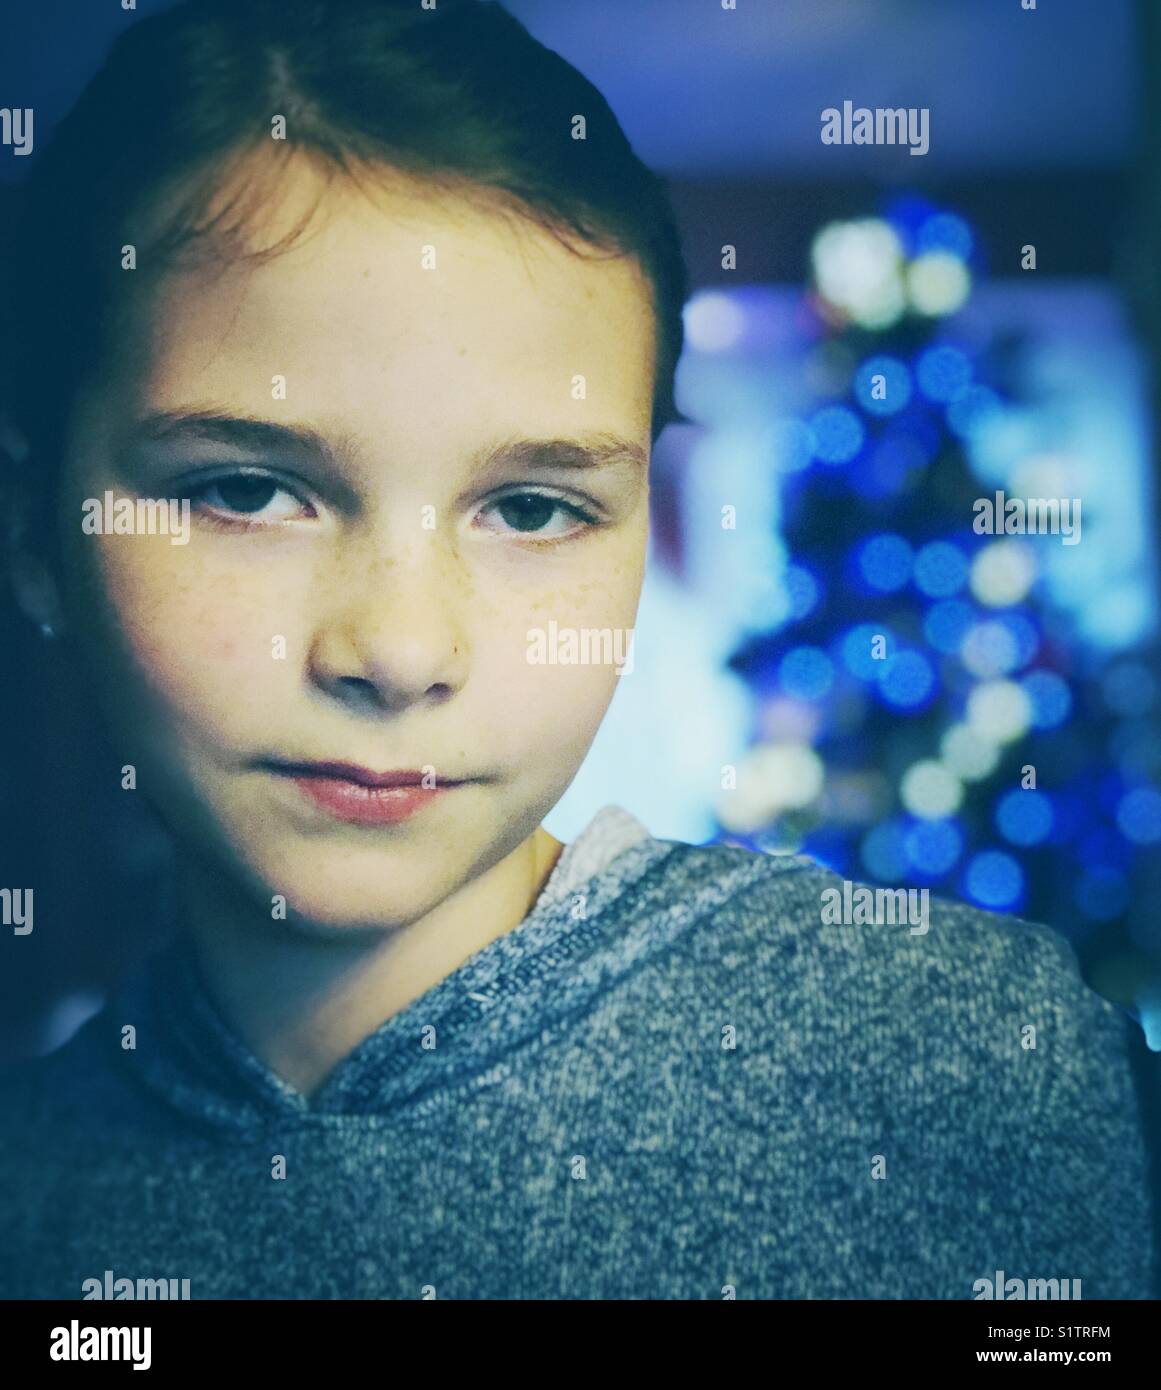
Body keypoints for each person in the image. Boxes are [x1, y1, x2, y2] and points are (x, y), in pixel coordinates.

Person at [0, 0, 1154, 1300]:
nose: (398, 649)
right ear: (39, 530)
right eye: (250, 490)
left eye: (533, 508)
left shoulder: (972, 1065)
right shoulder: (27, 1196)